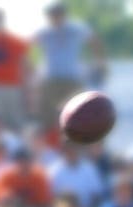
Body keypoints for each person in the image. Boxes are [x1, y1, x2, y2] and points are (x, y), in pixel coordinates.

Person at [34, 2, 105, 134]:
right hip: (51, 78)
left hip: (72, 78)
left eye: (57, 14)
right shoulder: (44, 31)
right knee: (48, 117)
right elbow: (27, 45)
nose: (55, 17)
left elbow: (94, 41)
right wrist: (31, 69)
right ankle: (51, 147)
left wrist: (98, 62)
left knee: (75, 114)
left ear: (63, 14)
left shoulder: (76, 28)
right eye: (52, 15)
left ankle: (75, 146)